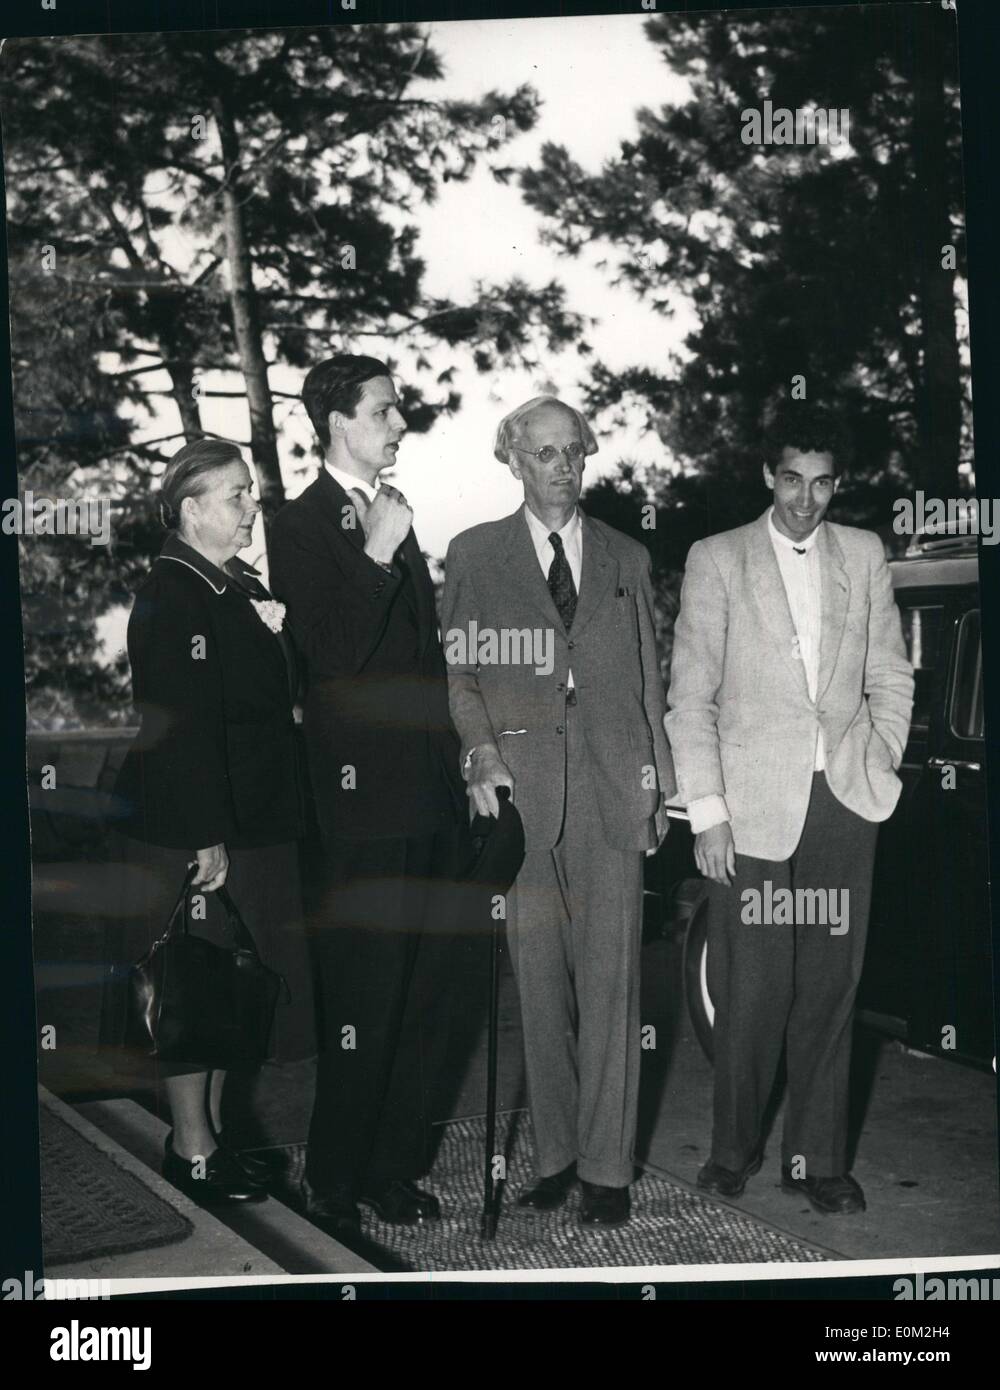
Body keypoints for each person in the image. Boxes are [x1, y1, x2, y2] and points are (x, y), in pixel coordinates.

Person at [664, 402, 914, 1214]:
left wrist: (879, 756)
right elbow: (689, 698)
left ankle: (818, 1161)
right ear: (767, 476)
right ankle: (733, 1149)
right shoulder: (718, 558)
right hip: (751, 807)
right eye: (791, 481)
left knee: (831, 990)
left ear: (837, 483)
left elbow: (892, 674)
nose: (806, 500)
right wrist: (706, 810)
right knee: (752, 991)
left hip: (844, 798)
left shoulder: (865, 553)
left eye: (822, 484)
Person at [440, 396, 674, 1227]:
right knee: (539, 989)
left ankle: (609, 1170)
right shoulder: (475, 554)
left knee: (613, 987)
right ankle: (557, 1157)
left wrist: (659, 788)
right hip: (524, 797)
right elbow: (458, 675)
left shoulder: (626, 555)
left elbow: (650, 678)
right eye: (544, 453)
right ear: (514, 460)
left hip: (616, 790)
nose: (562, 467)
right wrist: (481, 755)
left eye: (573, 451)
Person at [268, 354, 466, 1240]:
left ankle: (391, 1170)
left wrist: (465, 763)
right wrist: (378, 551)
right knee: (362, 998)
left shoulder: (394, 516)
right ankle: (333, 1177)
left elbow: (419, 663)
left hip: (425, 798)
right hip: (355, 811)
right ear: (337, 421)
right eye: (386, 411)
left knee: (424, 995)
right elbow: (333, 657)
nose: (399, 424)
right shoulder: (296, 524)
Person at [102, 438, 315, 1206]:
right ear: (191, 510)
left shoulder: (221, 583)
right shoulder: (175, 592)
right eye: (236, 495)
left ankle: (210, 1142)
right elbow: (179, 725)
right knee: (190, 987)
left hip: (244, 815)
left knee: (226, 989)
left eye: (250, 493)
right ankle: (191, 1147)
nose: (251, 506)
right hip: (190, 824)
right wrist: (203, 838)